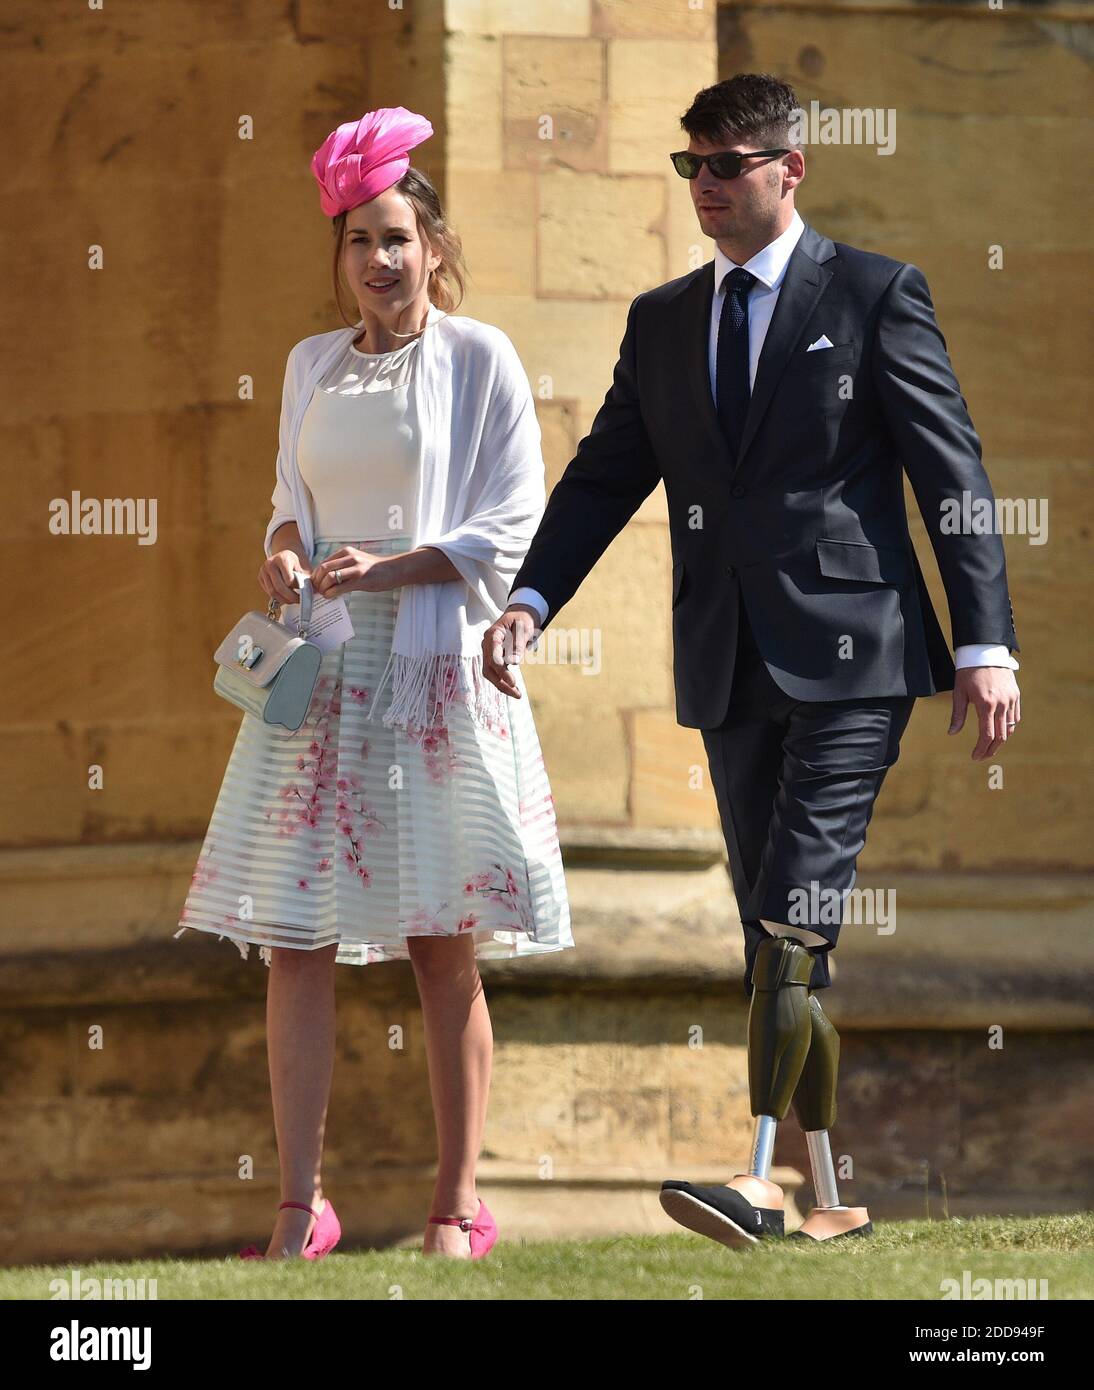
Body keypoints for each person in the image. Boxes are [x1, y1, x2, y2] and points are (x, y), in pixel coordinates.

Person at [489, 73, 1020, 1246]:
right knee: (771, 930)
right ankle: (831, 1197)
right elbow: (599, 479)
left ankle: (759, 1177)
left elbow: (952, 476)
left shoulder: (877, 294)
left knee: (791, 910)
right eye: (691, 168)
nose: (706, 189)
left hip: (857, 656)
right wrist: (530, 598)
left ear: (790, 169)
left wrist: (984, 641)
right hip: (726, 661)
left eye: (726, 165)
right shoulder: (662, 320)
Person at [175, 106, 572, 1262]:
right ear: (339, 257)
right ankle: (300, 1208)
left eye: (396, 237)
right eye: (358, 241)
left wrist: (396, 564)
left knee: (440, 940)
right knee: (294, 936)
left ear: (433, 246)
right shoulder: (308, 363)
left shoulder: (479, 355)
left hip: (433, 677)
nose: (379, 260)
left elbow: (513, 517)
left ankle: (456, 1208)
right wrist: (288, 548)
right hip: (321, 673)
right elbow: (286, 497)